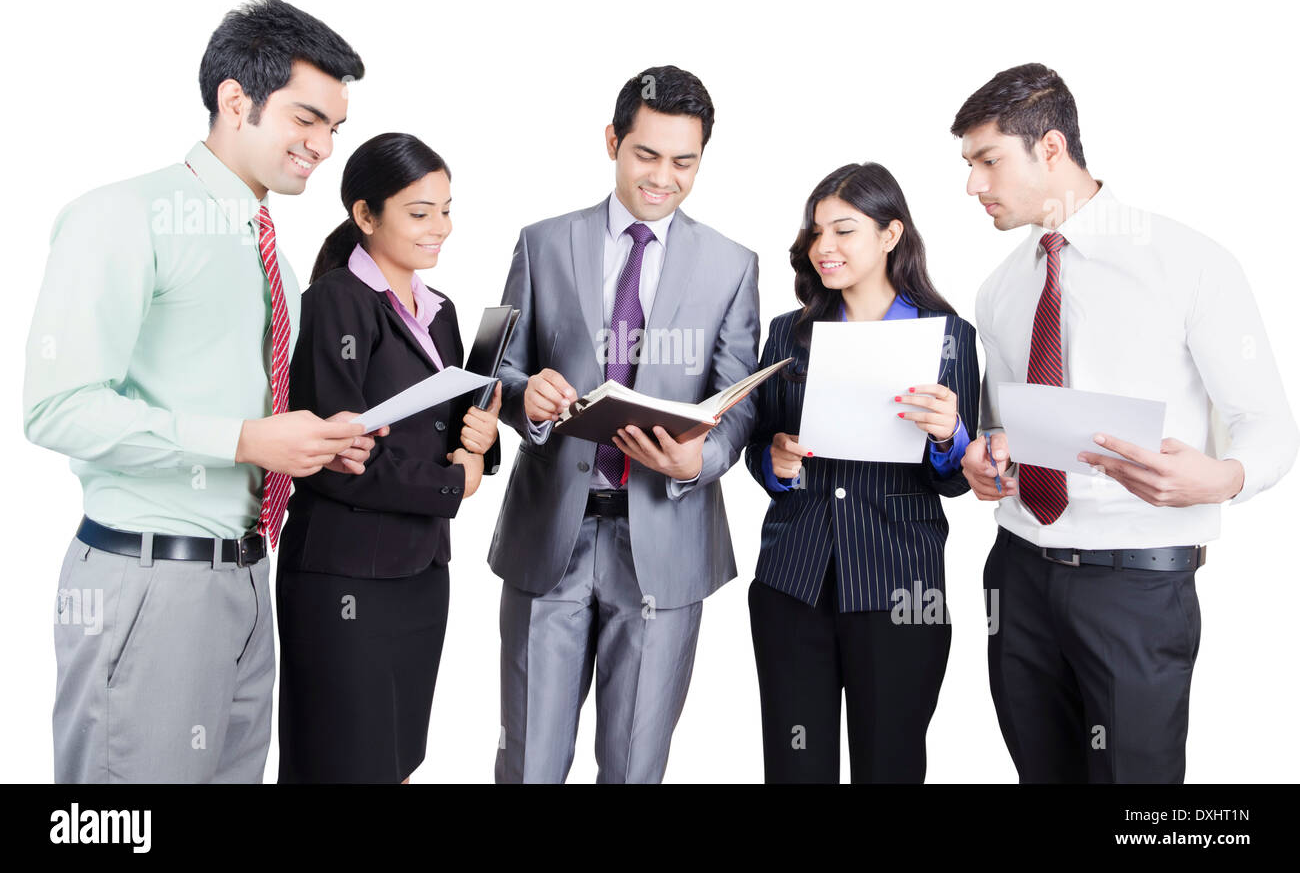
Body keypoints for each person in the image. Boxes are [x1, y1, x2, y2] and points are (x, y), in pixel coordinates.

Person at [25, 0, 373, 783]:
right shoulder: (124, 216)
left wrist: (311, 442)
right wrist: (249, 440)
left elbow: (244, 408)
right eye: (306, 119)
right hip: (150, 584)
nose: (322, 147)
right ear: (235, 99)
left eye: (334, 130)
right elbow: (56, 407)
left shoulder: (270, 256)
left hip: (250, 582)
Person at [954, 63, 1299, 783]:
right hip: (1016, 578)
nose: (973, 187)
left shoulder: (1190, 264)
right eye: (968, 165)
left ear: (1050, 149)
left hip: (1137, 592)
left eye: (988, 161)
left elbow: (1268, 422)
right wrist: (987, 460)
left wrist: (1225, 477)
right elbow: (1004, 425)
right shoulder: (1000, 289)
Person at [489, 64, 759, 783]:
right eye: (646, 154)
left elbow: (740, 400)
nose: (663, 177)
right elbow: (493, 368)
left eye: (684, 161)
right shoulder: (538, 242)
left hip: (666, 540)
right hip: (551, 534)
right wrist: (525, 400)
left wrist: (695, 463)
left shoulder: (733, 265)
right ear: (612, 141)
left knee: (636, 765)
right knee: (529, 760)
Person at [275, 133, 501, 784]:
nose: (440, 228)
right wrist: (454, 484)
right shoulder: (335, 303)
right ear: (365, 216)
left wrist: (484, 447)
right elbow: (335, 460)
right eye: (419, 211)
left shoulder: (441, 311)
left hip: (421, 568)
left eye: (446, 209)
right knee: (344, 761)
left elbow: (451, 427)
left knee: (397, 758)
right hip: (345, 573)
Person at [743, 162, 979, 783]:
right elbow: (757, 445)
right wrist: (776, 461)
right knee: (796, 770)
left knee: (890, 766)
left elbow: (957, 480)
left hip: (900, 586)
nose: (824, 248)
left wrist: (948, 434)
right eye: (817, 233)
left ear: (890, 234)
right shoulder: (788, 336)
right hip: (794, 581)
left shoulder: (949, 339)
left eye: (844, 231)